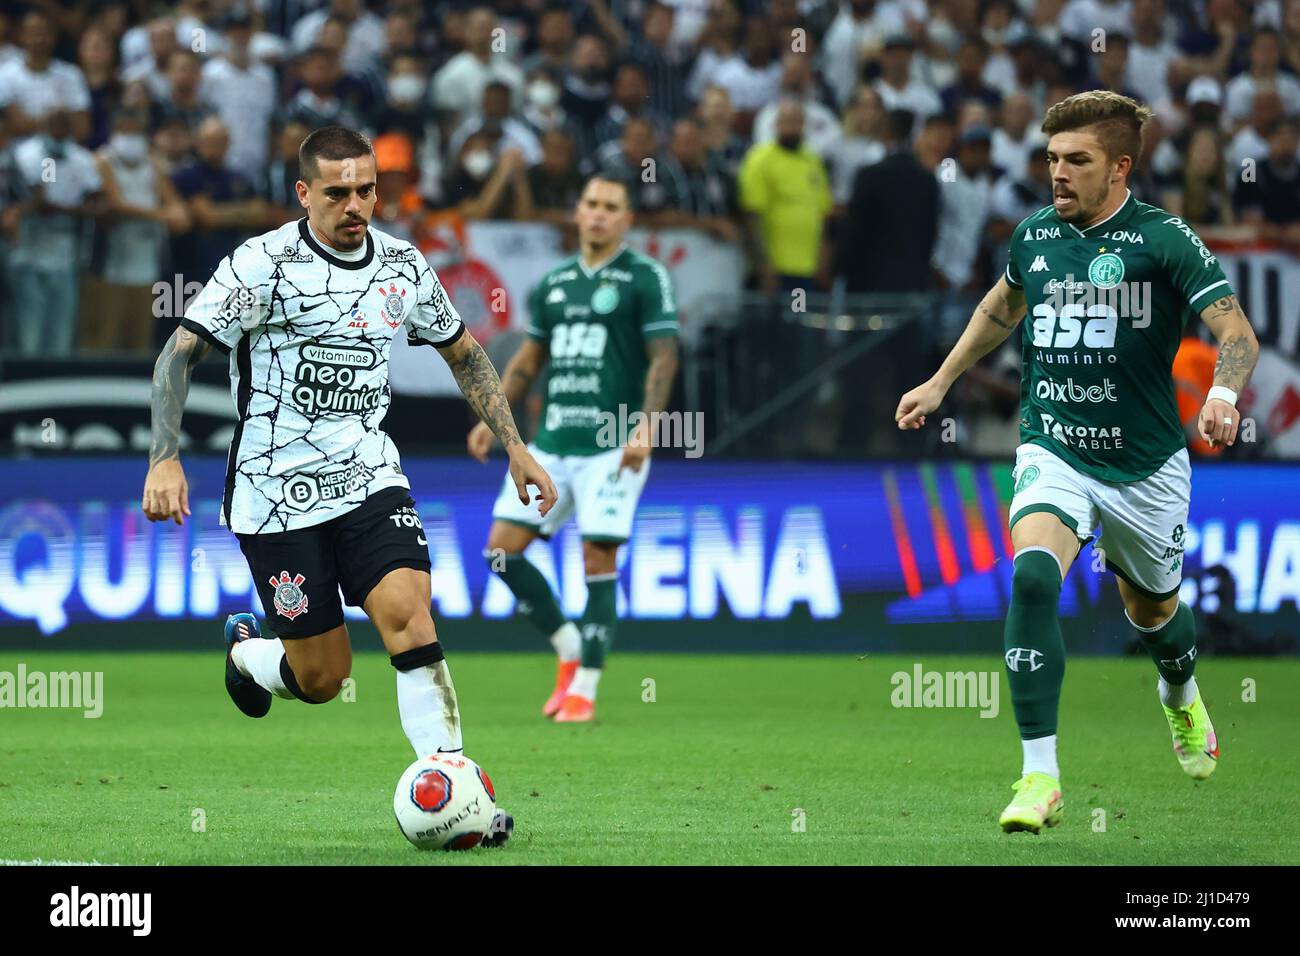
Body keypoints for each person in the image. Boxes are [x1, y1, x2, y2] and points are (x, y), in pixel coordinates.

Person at [141, 126, 558, 848]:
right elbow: (180, 353)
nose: (356, 204)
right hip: (274, 494)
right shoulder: (260, 264)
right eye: (337, 192)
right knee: (323, 677)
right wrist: (163, 457)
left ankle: (455, 791)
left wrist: (516, 446)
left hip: (369, 475)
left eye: (367, 189)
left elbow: (464, 352)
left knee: (409, 612)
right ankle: (248, 652)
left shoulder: (401, 264)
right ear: (303, 193)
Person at [895, 90, 1260, 834]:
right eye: (1052, 159)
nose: (1057, 174)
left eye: (1077, 161)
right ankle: (1040, 775)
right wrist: (941, 380)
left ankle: (1180, 693)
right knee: (1032, 577)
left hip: (1147, 465)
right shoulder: (1034, 235)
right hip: (1054, 442)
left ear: (1120, 167)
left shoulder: (1165, 240)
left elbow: (1238, 334)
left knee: (1153, 613)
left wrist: (1223, 393)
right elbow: (1002, 306)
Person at [468, 176, 680, 724]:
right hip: (552, 443)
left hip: (614, 444)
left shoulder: (644, 277)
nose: (599, 215)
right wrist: (496, 421)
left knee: (597, 557)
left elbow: (663, 357)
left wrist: (647, 426)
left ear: (627, 218)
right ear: (577, 212)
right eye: (590, 204)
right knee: (499, 550)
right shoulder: (555, 283)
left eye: (612, 207)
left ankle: (584, 688)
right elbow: (528, 362)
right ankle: (568, 648)